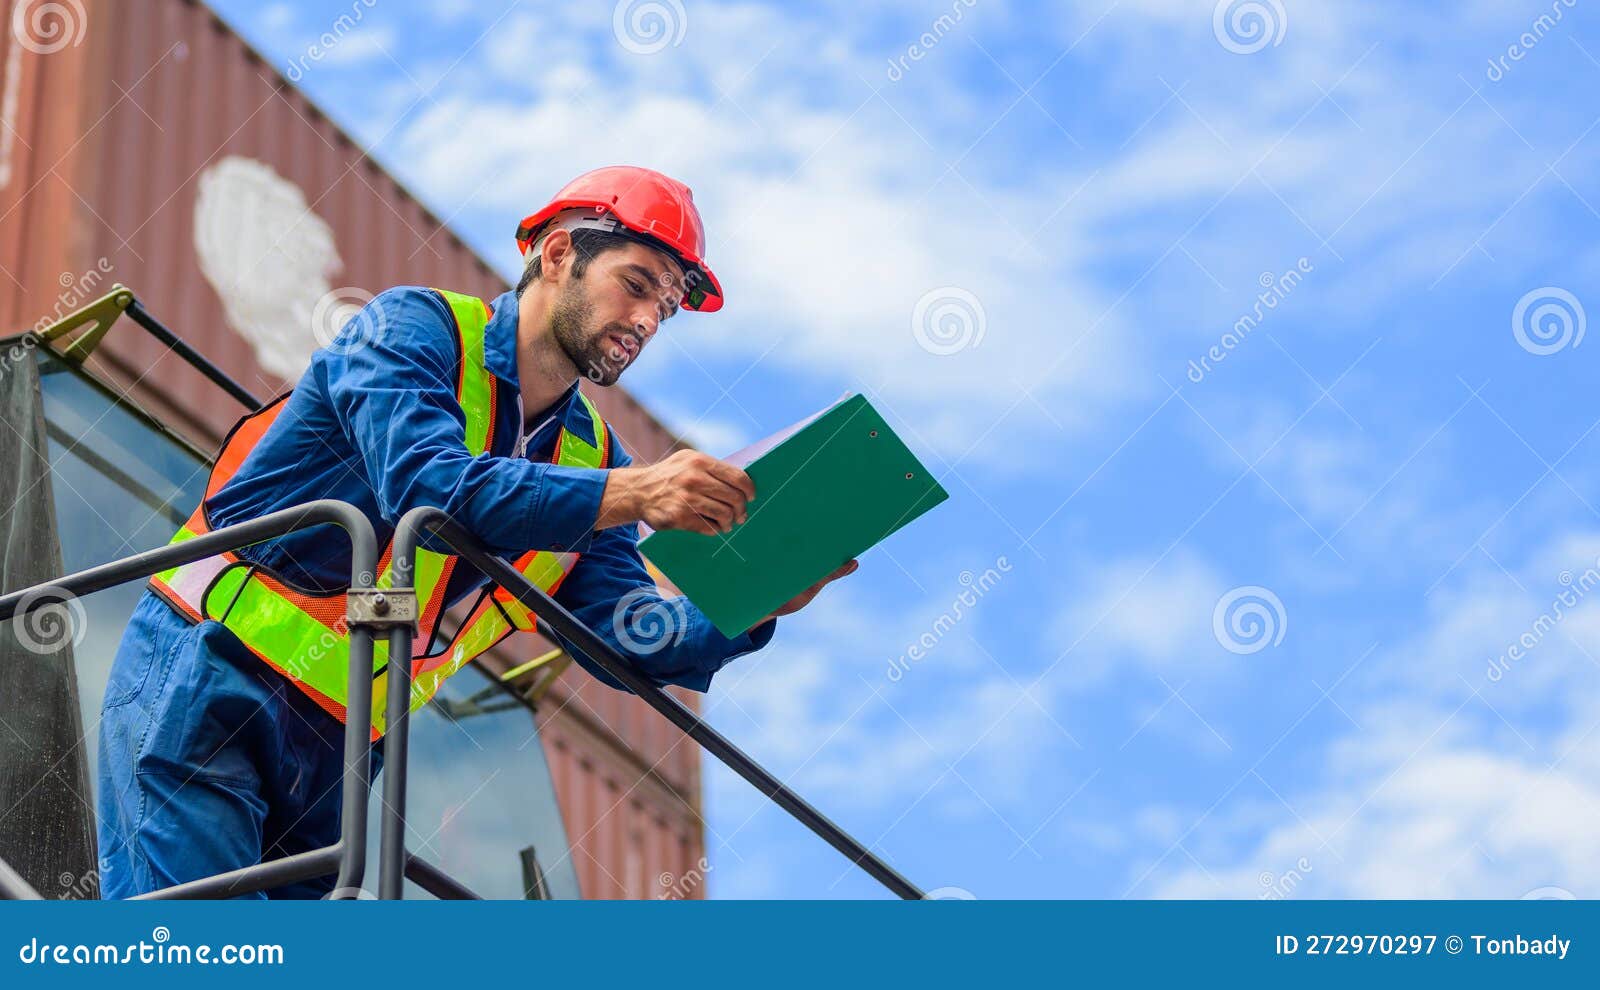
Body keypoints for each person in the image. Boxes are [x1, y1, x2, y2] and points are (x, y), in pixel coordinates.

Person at [95, 165, 857, 899]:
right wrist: (637, 494)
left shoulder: (593, 459)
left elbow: (632, 640)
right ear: (557, 252)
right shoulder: (412, 330)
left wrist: (761, 596)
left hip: (338, 748)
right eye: (636, 285)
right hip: (210, 676)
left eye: (668, 307)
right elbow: (429, 491)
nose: (648, 320)